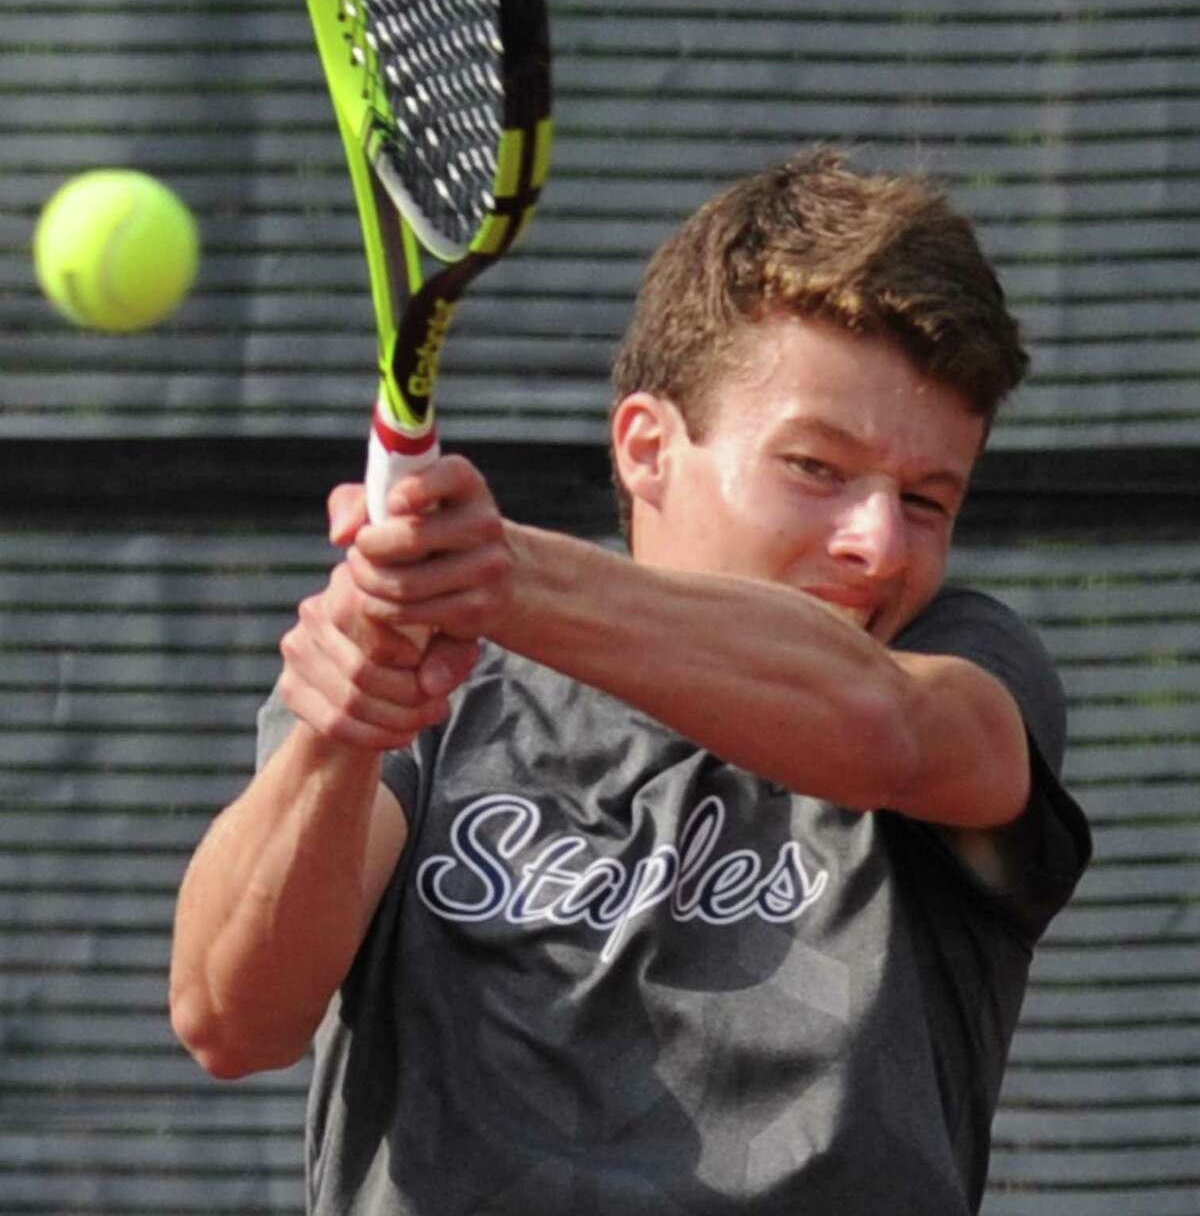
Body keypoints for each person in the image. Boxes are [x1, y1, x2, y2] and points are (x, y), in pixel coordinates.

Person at [170, 149, 1091, 1216]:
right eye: (817, 470)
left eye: (929, 500)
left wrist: (505, 577)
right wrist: (340, 729)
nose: (879, 544)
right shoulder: (446, 687)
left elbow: (884, 729)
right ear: (647, 449)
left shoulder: (966, 667)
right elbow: (231, 1019)